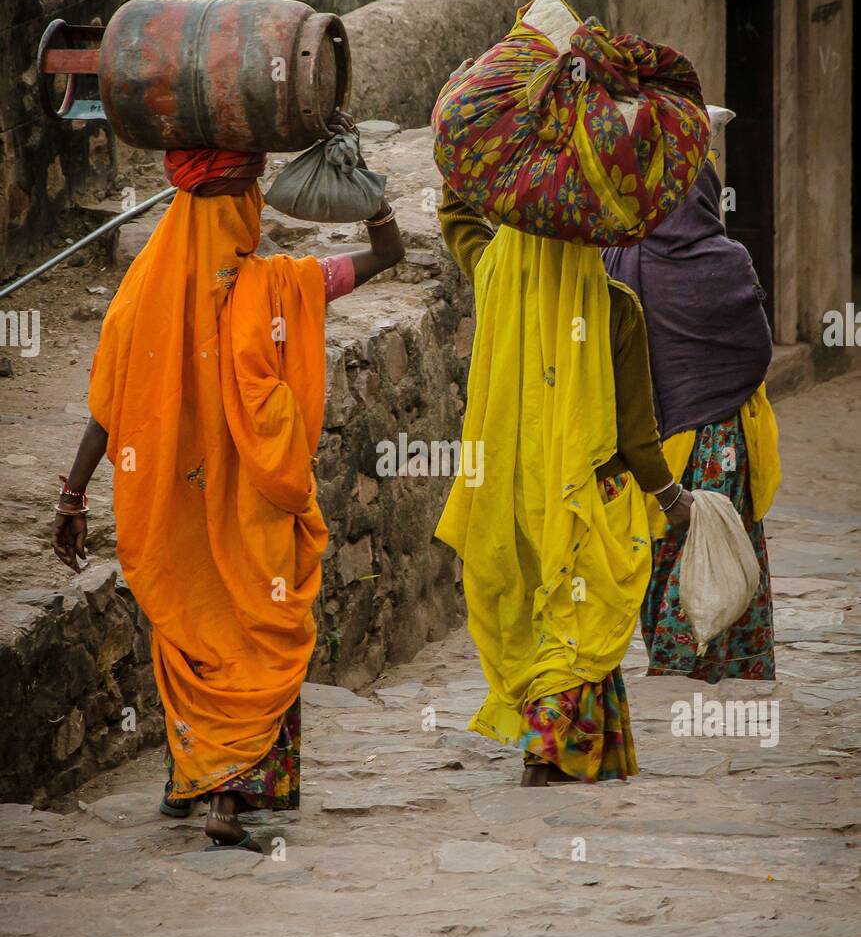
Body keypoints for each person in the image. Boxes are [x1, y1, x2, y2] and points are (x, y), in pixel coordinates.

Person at [53, 115, 404, 848]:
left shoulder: (141, 292)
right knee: (253, 632)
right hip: (254, 514)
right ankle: (233, 798)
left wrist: (73, 496)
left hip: (171, 510)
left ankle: (192, 781)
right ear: (242, 204)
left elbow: (107, 408)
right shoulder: (281, 286)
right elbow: (389, 252)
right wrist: (366, 189)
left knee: (194, 630)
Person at [436, 179, 693, 786]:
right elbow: (636, 435)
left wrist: (467, 164)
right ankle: (546, 748)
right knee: (576, 620)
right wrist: (670, 497)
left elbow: (459, 221)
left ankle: (548, 742)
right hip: (589, 495)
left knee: (532, 607)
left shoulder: (497, 276)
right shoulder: (616, 306)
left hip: (512, 488)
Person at [603, 142, 779, 681]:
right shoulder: (726, 261)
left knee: (663, 546)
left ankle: (670, 655)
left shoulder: (614, 256)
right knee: (720, 538)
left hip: (647, 439)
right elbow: (756, 350)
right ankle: (721, 662)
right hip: (719, 439)